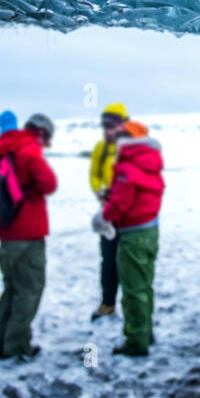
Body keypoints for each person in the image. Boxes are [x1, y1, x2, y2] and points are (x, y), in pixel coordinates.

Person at [0, 112, 58, 359]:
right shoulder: (29, 149)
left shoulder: (4, 147)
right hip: (27, 235)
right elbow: (49, 183)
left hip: (6, 234)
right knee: (28, 291)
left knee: (11, 290)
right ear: (40, 133)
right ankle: (16, 347)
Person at [97, 120, 164, 356]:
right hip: (149, 230)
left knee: (133, 288)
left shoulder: (127, 168)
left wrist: (103, 217)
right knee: (144, 285)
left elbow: (121, 203)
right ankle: (144, 330)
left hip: (133, 234)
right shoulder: (149, 164)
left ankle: (136, 341)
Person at [88, 102, 129, 321]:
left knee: (131, 261)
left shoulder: (133, 148)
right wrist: (99, 193)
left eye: (112, 125)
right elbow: (94, 173)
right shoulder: (100, 149)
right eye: (105, 125)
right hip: (108, 214)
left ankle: (133, 306)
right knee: (108, 259)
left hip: (130, 216)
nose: (108, 130)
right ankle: (108, 303)